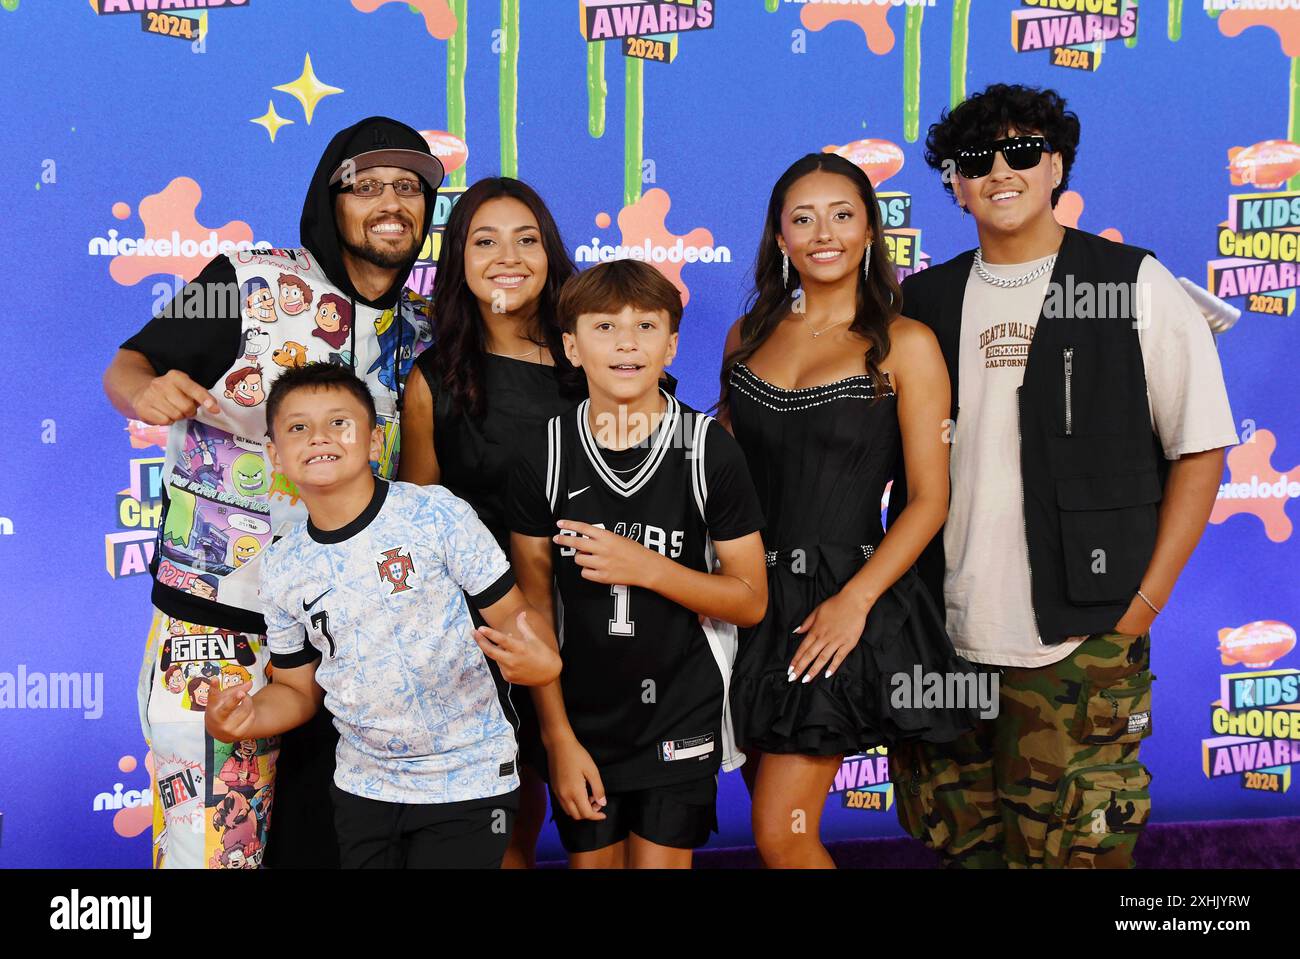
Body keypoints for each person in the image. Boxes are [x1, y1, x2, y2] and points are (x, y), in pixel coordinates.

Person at [888, 84, 1238, 868]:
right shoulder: (923, 300)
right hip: (944, 642)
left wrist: (1142, 605)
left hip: (1080, 639)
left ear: (1057, 168)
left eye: (1023, 152)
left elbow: (1203, 448)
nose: (999, 171)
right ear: (954, 182)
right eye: (976, 159)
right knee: (963, 848)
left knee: (1077, 853)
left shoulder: (1130, 283)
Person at [102, 116, 443, 869]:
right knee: (211, 850)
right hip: (217, 625)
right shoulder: (240, 278)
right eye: (370, 185)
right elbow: (130, 361)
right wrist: (144, 393)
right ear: (331, 198)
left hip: (343, 636)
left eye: (410, 188)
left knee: (324, 846)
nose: (392, 202)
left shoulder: (420, 329)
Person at [719, 153, 978, 869]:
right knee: (771, 817)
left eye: (842, 214)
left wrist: (854, 602)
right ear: (780, 237)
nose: (822, 232)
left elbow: (929, 499)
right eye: (802, 218)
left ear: (870, 231)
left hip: (837, 606)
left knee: (783, 830)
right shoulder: (745, 337)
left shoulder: (907, 346)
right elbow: (724, 479)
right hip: (745, 601)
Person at [204, 363, 562, 869]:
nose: (319, 437)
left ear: (374, 442)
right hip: (363, 787)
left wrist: (542, 660)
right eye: (298, 427)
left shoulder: (436, 514)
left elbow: (514, 615)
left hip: (468, 775)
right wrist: (244, 719)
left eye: (339, 423)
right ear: (273, 454)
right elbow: (295, 690)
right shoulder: (282, 566)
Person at [508, 259, 768, 868]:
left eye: (646, 326)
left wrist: (644, 566)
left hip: (681, 710)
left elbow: (750, 599)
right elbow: (535, 609)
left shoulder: (708, 450)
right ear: (571, 346)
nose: (627, 342)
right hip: (582, 715)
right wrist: (556, 736)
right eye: (604, 327)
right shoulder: (544, 454)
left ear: (672, 343)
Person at [398, 177, 585, 867]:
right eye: (485, 240)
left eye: (526, 238)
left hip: (601, 614)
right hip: (487, 629)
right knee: (499, 825)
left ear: (549, 251)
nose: (508, 256)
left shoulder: (592, 356)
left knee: (590, 811)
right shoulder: (435, 382)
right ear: (459, 260)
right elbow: (421, 530)